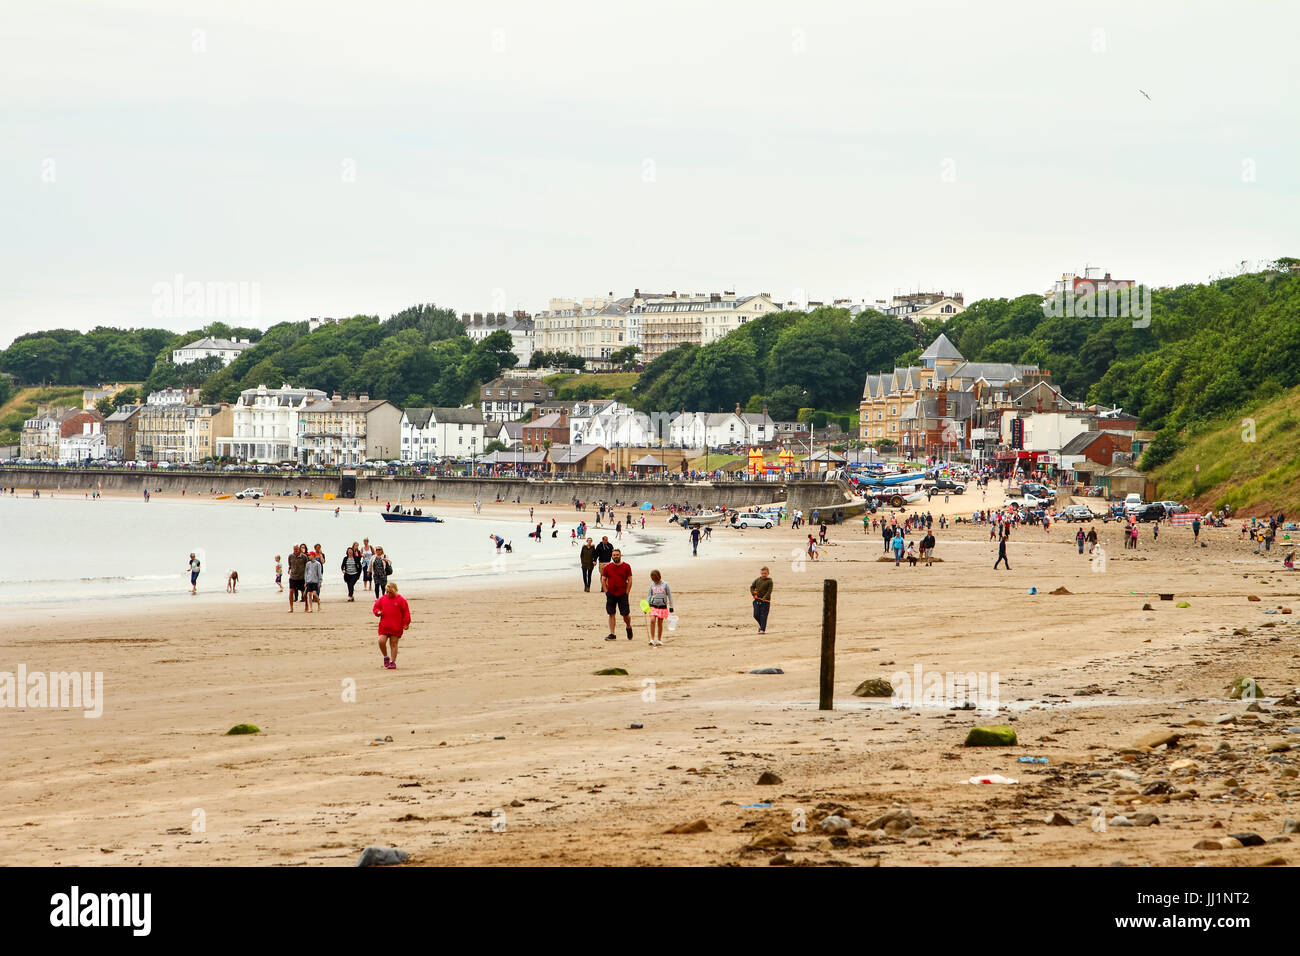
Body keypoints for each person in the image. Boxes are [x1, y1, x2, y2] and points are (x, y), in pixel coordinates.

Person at [374, 581, 411, 670]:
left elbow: (406, 612)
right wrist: (378, 612)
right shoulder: (382, 599)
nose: (388, 594)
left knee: (393, 644)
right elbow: (375, 608)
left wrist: (406, 623)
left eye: (390, 592)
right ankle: (386, 656)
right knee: (381, 641)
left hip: (396, 627)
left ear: (395, 591)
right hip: (384, 626)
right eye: (387, 592)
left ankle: (393, 662)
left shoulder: (401, 600)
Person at [601, 548, 634, 642]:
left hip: (623, 594)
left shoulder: (626, 566)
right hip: (611, 594)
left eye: (617, 555)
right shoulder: (607, 567)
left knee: (625, 615)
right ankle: (612, 634)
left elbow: (630, 580)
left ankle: (628, 626)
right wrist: (606, 591)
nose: (616, 556)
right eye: (614, 555)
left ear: (620, 555)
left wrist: (627, 592)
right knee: (611, 613)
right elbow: (603, 579)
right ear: (612, 556)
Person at [646, 570, 674, 646]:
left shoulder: (665, 584)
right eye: (652, 578)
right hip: (653, 606)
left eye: (654, 578)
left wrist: (671, 606)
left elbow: (670, 596)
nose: (653, 580)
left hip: (662, 607)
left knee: (660, 623)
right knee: (652, 620)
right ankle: (651, 639)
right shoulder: (652, 585)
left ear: (658, 576)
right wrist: (646, 606)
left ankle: (659, 640)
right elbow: (649, 596)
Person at [750, 567, 773, 634]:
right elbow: (752, 587)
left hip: (765, 602)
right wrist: (754, 594)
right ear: (760, 573)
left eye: (765, 573)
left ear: (768, 573)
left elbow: (769, 591)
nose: (763, 575)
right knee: (756, 615)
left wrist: (765, 598)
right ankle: (761, 625)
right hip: (756, 600)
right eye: (762, 573)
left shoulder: (769, 581)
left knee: (763, 616)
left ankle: (762, 629)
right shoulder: (757, 580)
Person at [287, 544, 307, 611]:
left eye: (297, 549)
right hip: (293, 577)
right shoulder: (290, 556)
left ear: (299, 549)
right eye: (294, 549)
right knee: (291, 591)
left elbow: (307, 566)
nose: (295, 550)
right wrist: (289, 569)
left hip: (302, 577)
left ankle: (306, 606)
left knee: (304, 592)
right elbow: (290, 565)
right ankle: (291, 607)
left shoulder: (304, 557)